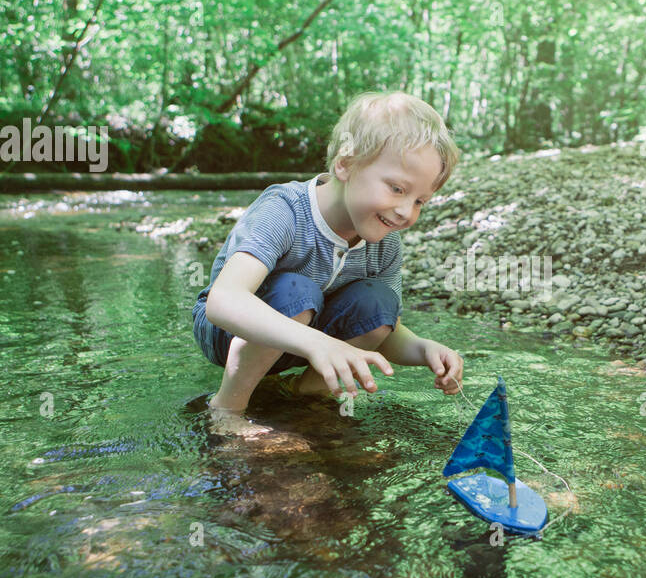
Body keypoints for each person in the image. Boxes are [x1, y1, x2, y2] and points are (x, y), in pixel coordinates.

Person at [192, 92, 464, 433]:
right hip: (229, 331)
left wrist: (424, 350)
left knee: (378, 300)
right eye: (397, 189)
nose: (406, 212)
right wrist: (318, 343)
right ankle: (227, 409)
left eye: (420, 201)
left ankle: (310, 396)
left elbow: (384, 325)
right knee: (296, 290)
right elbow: (223, 301)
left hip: (311, 335)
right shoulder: (285, 210)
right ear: (345, 164)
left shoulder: (386, 243)